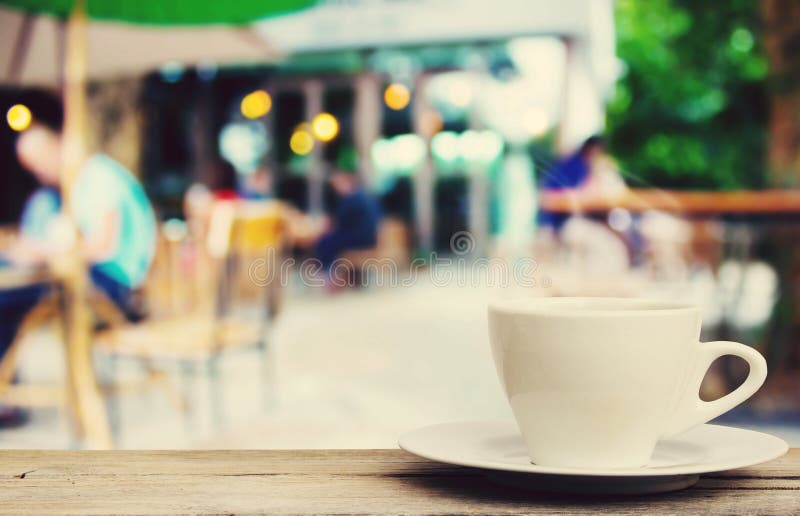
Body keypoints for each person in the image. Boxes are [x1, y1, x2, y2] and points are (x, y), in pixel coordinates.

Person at [0, 120, 157, 365]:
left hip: (116, 282)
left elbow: (103, 247)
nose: (39, 173)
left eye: (39, 162)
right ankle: (7, 386)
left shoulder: (98, 177)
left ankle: (5, 386)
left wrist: (43, 253)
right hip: (94, 279)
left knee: (6, 297)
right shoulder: (72, 187)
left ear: (55, 148)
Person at [315, 150, 381, 269]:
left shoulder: (353, 199)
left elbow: (336, 222)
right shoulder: (364, 195)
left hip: (361, 240)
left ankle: (329, 275)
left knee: (323, 243)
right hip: (370, 239)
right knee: (328, 240)